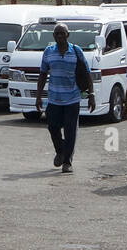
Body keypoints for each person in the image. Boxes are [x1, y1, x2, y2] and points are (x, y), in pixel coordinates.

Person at [34, 22, 95, 173]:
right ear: (54, 36)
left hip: (72, 98)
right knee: (53, 127)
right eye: (57, 33)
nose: (60, 36)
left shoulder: (76, 51)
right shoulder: (48, 51)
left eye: (62, 33)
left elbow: (87, 73)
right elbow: (43, 74)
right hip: (54, 98)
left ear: (68, 35)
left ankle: (67, 162)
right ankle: (60, 151)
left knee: (70, 131)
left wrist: (91, 94)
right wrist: (38, 96)